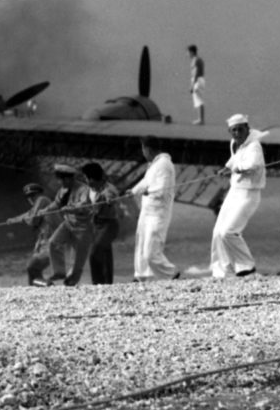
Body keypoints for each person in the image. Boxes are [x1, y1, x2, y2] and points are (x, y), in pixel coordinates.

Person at [211, 114, 267, 278]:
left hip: (249, 193)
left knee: (229, 232)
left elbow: (252, 165)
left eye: (240, 129)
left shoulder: (254, 145)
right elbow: (234, 159)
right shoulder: (235, 144)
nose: (237, 133)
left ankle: (247, 267)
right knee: (218, 232)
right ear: (230, 132)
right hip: (234, 191)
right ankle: (224, 269)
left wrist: (235, 169)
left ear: (247, 128)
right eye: (233, 130)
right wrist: (226, 167)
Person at [130, 136, 180, 281]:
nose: (143, 153)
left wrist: (148, 191)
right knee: (141, 244)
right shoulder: (154, 164)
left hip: (158, 213)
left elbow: (163, 189)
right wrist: (133, 191)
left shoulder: (164, 164)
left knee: (151, 251)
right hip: (147, 211)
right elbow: (146, 181)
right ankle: (141, 275)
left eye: (143, 149)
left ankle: (171, 273)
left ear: (147, 149)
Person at [42, 164, 97, 286]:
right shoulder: (62, 190)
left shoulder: (84, 189)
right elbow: (56, 203)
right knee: (53, 242)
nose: (60, 183)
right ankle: (59, 271)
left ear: (69, 178)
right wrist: (45, 210)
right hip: (68, 224)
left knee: (78, 258)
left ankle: (71, 281)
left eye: (61, 180)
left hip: (83, 227)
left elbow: (84, 205)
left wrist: (71, 208)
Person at [7, 183, 62, 286]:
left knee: (32, 267)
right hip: (45, 244)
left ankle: (48, 286)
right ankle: (44, 286)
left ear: (39, 194)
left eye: (33, 195)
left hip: (52, 243)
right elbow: (28, 214)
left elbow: (33, 220)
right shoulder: (37, 206)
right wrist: (13, 220)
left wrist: (23, 219)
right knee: (33, 270)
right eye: (28, 196)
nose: (31, 198)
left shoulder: (42, 200)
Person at [82, 162, 121, 284]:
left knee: (95, 252)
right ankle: (106, 284)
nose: (85, 180)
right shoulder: (89, 190)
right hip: (96, 226)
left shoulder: (108, 189)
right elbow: (84, 204)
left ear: (92, 178)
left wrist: (109, 200)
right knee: (104, 253)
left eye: (85, 177)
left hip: (109, 226)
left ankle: (98, 283)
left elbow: (112, 195)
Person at [188, 45, 205, 125]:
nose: (187, 54)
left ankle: (200, 119)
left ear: (191, 52)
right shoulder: (200, 60)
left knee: (198, 100)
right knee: (199, 99)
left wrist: (192, 85)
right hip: (201, 79)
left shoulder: (195, 60)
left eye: (188, 52)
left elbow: (195, 73)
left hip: (197, 80)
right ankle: (200, 119)